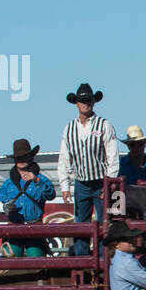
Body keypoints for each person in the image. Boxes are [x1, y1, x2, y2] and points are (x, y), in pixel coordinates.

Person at [57, 83, 119, 257]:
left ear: (94, 102)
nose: (85, 103)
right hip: (81, 182)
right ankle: (82, 263)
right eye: (82, 100)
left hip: (100, 182)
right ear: (76, 103)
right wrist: (64, 185)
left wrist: (109, 183)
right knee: (81, 226)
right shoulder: (69, 128)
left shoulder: (104, 125)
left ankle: (101, 264)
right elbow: (64, 157)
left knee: (103, 224)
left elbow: (112, 156)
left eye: (88, 100)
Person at [0, 139, 56, 257]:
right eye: (19, 158)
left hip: (35, 228)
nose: (21, 160)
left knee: (36, 261)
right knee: (11, 264)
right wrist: (6, 207)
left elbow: (51, 195)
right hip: (14, 228)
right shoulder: (8, 184)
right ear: (15, 161)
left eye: (24, 157)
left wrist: (37, 180)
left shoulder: (40, 179)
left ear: (31, 158)